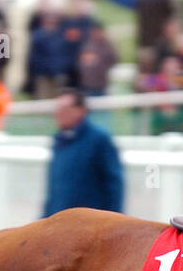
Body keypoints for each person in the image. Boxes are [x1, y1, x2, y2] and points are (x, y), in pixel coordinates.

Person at [42, 88, 123, 217]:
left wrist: (114, 222)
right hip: (58, 223)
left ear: (81, 110)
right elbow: (54, 190)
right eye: (58, 108)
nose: (59, 113)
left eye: (65, 109)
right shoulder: (58, 140)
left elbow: (114, 186)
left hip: (89, 226)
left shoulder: (99, 139)